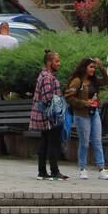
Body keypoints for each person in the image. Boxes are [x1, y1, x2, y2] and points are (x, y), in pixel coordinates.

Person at [65, 56, 108, 180]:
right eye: (91, 67)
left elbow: (107, 80)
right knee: (84, 143)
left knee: (97, 141)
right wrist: (85, 103)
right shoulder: (77, 81)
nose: (93, 70)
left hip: (94, 113)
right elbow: (69, 97)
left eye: (94, 67)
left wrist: (101, 66)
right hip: (81, 115)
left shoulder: (94, 81)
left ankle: (102, 169)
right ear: (84, 67)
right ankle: (83, 169)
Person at [30, 48, 68, 182]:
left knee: (45, 142)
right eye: (56, 61)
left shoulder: (45, 75)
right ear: (49, 62)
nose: (59, 63)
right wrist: (58, 109)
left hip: (45, 115)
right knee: (53, 142)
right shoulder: (47, 77)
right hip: (50, 116)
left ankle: (42, 171)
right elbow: (47, 98)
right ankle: (54, 171)